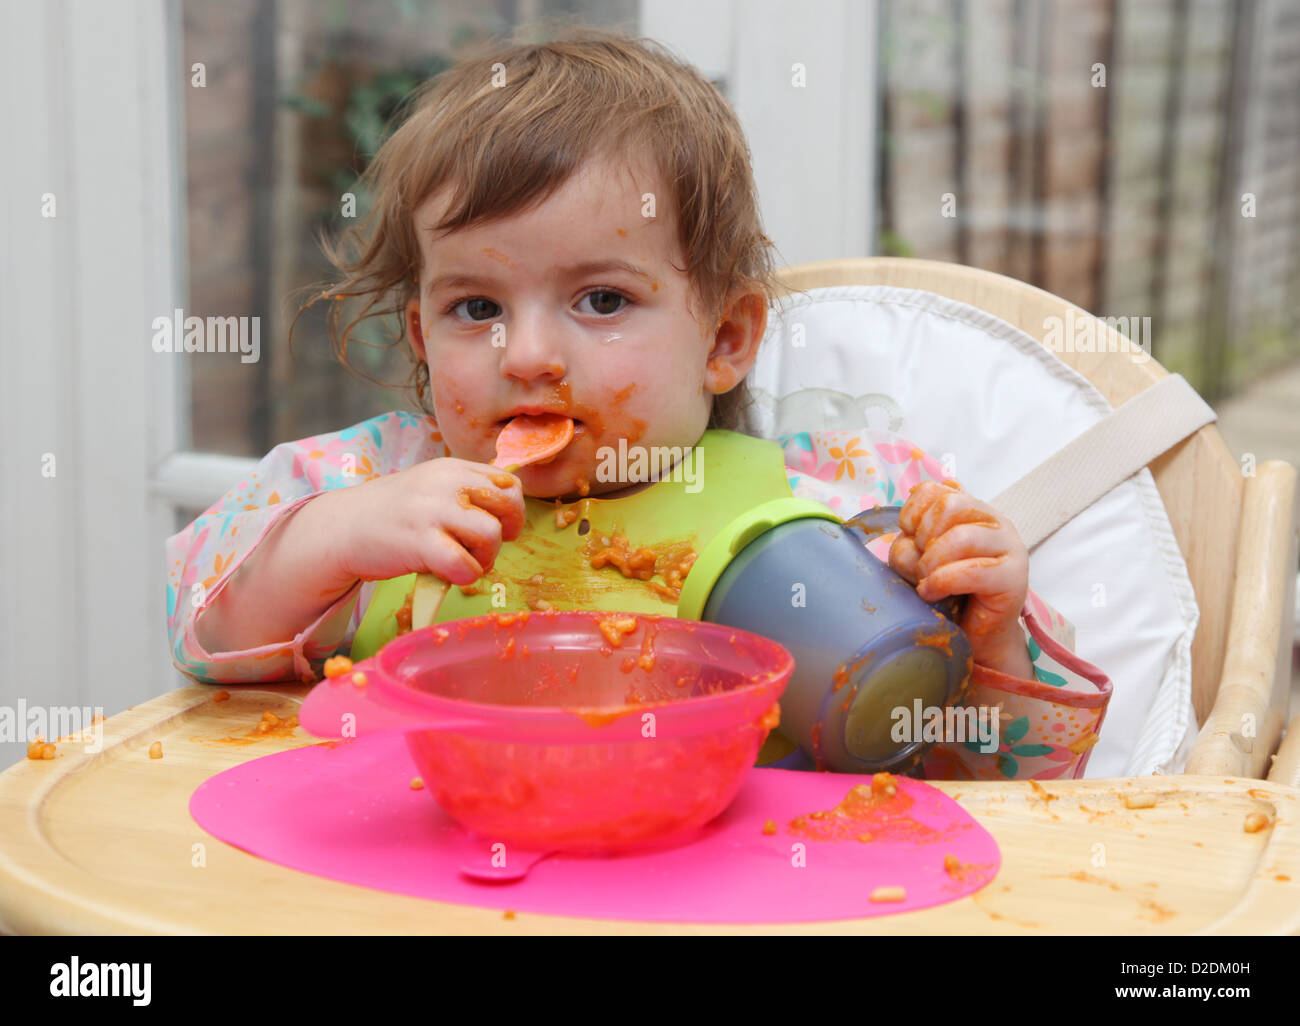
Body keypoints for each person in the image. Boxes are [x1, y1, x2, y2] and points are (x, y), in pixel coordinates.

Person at [165, 29, 1108, 781]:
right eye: (476, 308)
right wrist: (325, 543)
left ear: (727, 339)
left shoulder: (854, 506)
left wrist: (987, 635)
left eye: (602, 301)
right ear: (420, 338)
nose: (527, 355)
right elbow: (203, 642)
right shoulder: (367, 483)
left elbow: (1004, 790)